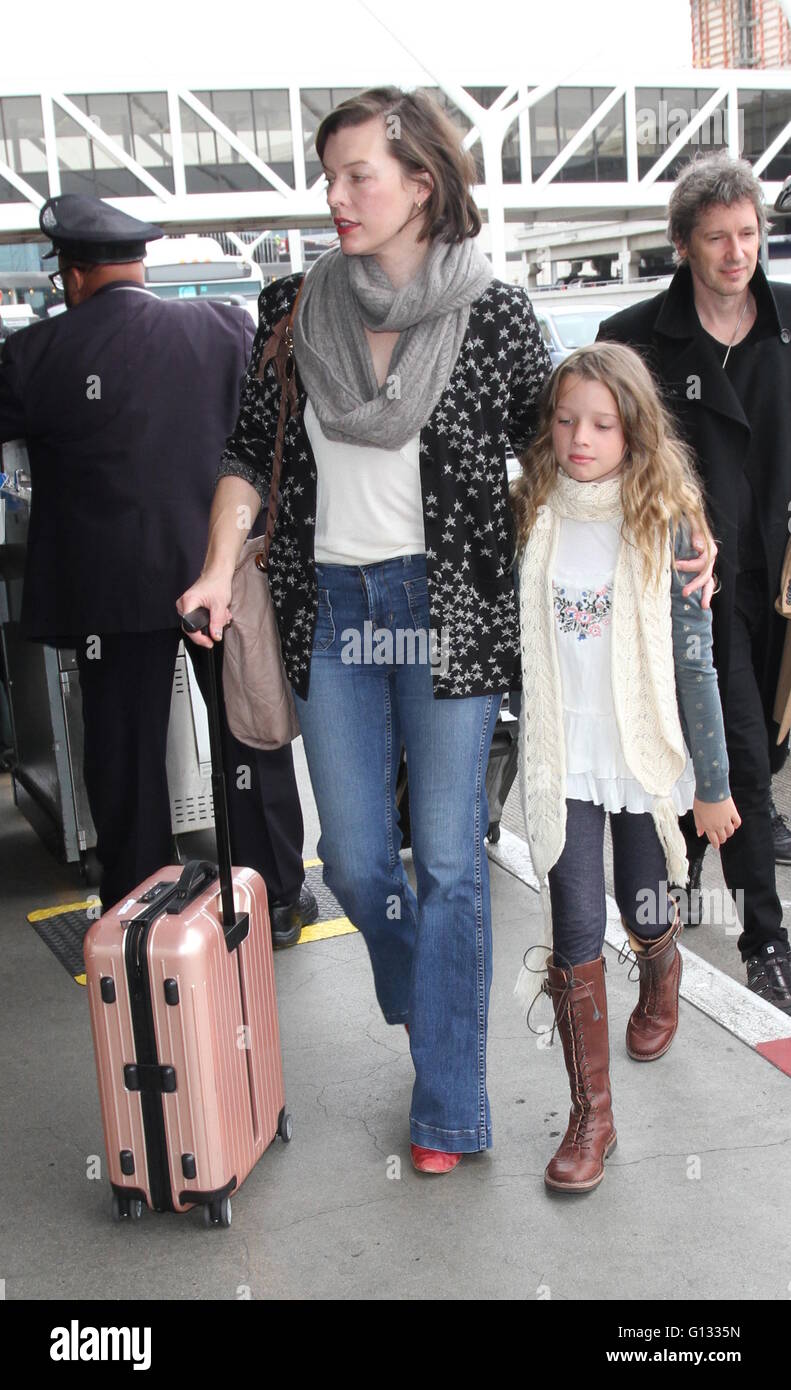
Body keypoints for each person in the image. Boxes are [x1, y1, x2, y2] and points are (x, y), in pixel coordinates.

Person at [179, 85, 556, 1174]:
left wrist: (658, 538)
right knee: (350, 858)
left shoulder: (493, 314)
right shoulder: (294, 307)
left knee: (446, 858)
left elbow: (556, 462)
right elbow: (246, 457)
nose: (335, 196)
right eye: (329, 175)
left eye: (358, 176)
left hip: (449, 607)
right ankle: (423, 988)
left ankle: (447, 1101)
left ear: (421, 183)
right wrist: (215, 569)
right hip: (336, 611)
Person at [0, 194, 316, 947]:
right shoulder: (221, 326)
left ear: (71, 276)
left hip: (112, 590)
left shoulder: (36, 354)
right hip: (221, 569)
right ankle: (272, 896)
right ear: (140, 262)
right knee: (246, 728)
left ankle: (140, 901)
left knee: (124, 748)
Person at [511, 342, 740, 1192]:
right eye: (566, 420)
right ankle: (590, 1118)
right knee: (572, 933)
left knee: (643, 906)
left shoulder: (666, 520)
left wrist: (711, 786)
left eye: (602, 424)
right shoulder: (531, 506)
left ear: (632, 430)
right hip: (560, 759)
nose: (580, 437)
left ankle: (660, 966)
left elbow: (694, 663)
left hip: (639, 756)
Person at [598, 153, 791, 1014]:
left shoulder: (787, 327)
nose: (735, 252)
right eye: (715, 237)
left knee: (738, 753)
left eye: (747, 233)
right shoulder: (633, 337)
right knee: (732, 757)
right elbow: (596, 457)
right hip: (680, 584)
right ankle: (765, 937)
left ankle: (678, 894)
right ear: (682, 245)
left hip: (773, 582)